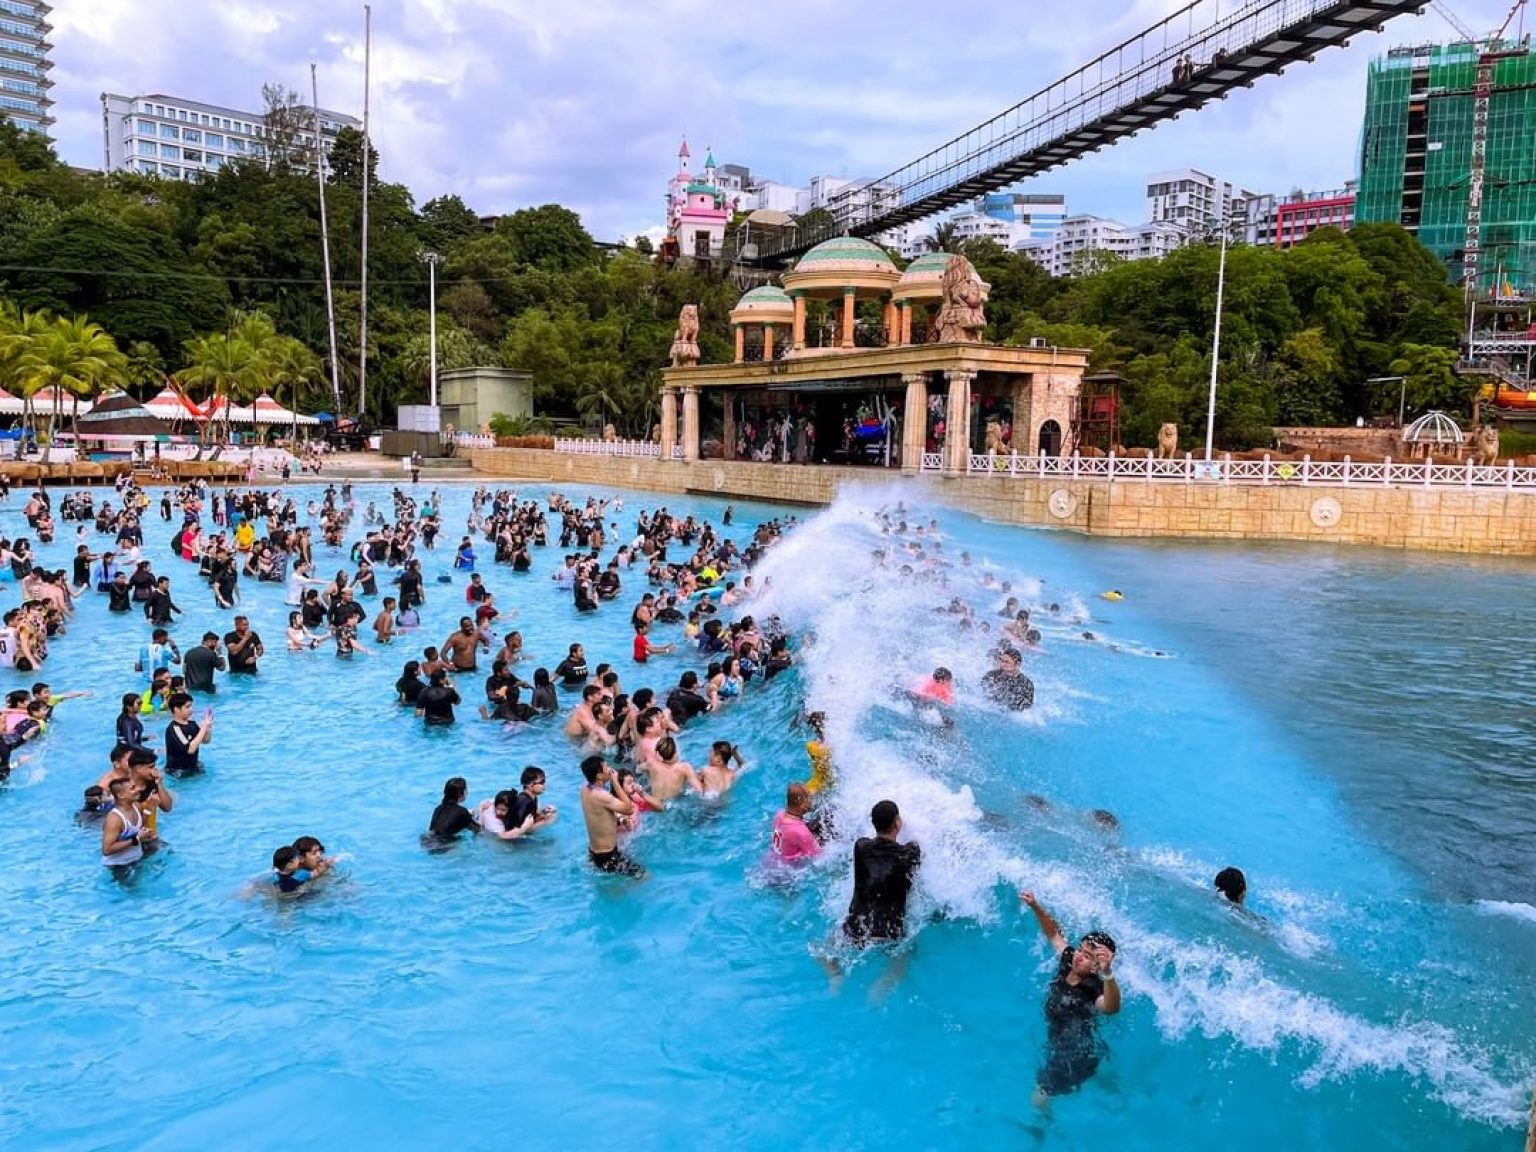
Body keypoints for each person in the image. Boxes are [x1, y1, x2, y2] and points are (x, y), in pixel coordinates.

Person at [1018, 891, 1120, 1103]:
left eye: (1087, 956)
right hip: (1056, 1038)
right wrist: (1036, 906)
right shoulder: (1068, 961)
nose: (1078, 956)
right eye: (1080, 949)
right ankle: (1101, 1077)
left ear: (1095, 967)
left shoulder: (1093, 987)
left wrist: (1108, 972)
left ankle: (1042, 1127)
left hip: (1074, 1052)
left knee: (1039, 1097)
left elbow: (1111, 1007)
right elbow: (1054, 934)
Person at [842, 800, 921, 945]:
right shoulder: (909, 853)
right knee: (910, 950)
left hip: (855, 928)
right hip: (888, 934)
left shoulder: (860, 846)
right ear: (897, 823)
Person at [580, 755, 641, 876]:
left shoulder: (584, 789)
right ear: (599, 776)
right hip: (608, 856)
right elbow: (628, 809)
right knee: (643, 876)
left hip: (594, 853)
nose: (610, 768)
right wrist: (615, 782)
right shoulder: (602, 796)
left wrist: (619, 819)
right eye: (606, 767)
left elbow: (599, 815)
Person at [100, 775, 147, 873]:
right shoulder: (114, 819)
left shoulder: (137, 806)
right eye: (132, 788)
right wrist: (136, 839)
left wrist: (149, 810)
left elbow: (137, 828)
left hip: (136, 859)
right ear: (121, 795)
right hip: (118, 866)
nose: (138, 789)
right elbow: (106, 850)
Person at [164, 692, 213, 778]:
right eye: (187, 707)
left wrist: (208, 728)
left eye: (191, 706)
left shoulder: (192, 724)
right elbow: (190, 750)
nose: (191, 709)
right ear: (176, 709)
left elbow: (206, 741)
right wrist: (203, 728)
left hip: (193, 767)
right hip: (177, 771)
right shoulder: (174, 729)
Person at [770, 783, 820, 863]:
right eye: (810, 798)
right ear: (802, 804)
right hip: (785, 870)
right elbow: (819, 856)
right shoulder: (802, 832)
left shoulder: (779, 814)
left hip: (771, 860)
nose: (812, 801)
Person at [982, 645, 1034, 710]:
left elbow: (1026, 709)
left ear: (1017, 665)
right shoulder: (992, 675)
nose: (1002, 664)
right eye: (1002, 660)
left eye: (1006, 662)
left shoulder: (1026, 684)